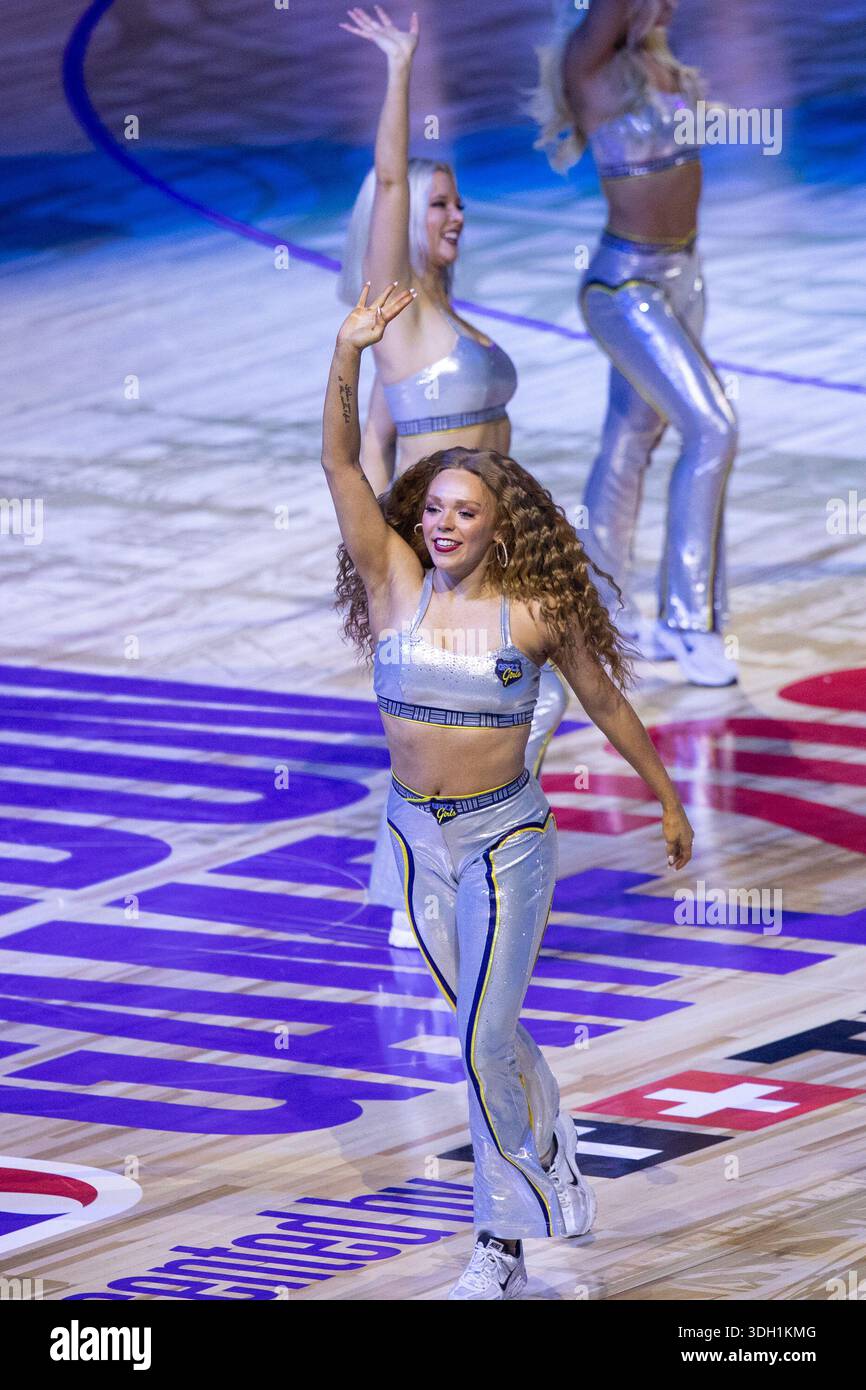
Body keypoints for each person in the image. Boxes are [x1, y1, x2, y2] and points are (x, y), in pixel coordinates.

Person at [321, 279, 695, 1299]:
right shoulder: (393, 582)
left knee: (484, 1034)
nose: (442, 522)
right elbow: (341, 462)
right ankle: (549, 1162)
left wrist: (663, 796)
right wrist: (349, 352)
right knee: (485, 1030)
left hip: (504, 845)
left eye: (463, 511)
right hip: (410, 844)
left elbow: (606, 701)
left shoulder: (531, 612)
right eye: (433, 506)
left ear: (499, 524)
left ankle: (498, 1248)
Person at [339, 4, 571, 945]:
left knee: (530, 696)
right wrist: (401, 68)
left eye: (460, 204)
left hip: (496, 540)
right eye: (443, 204)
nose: (456, 216)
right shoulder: (400, 317)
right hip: (446, 554)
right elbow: (393, 173)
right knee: (487, 705)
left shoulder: (455, 325)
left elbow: (379, 438)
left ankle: (444, 873)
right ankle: (421, 885)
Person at [529, 0, 739, 686]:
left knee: (629, 442)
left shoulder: (660, 65)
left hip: (686, 278)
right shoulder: (593, 67)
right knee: (713, 429)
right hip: (626, 290)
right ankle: (686, 622)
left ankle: (595, 614)